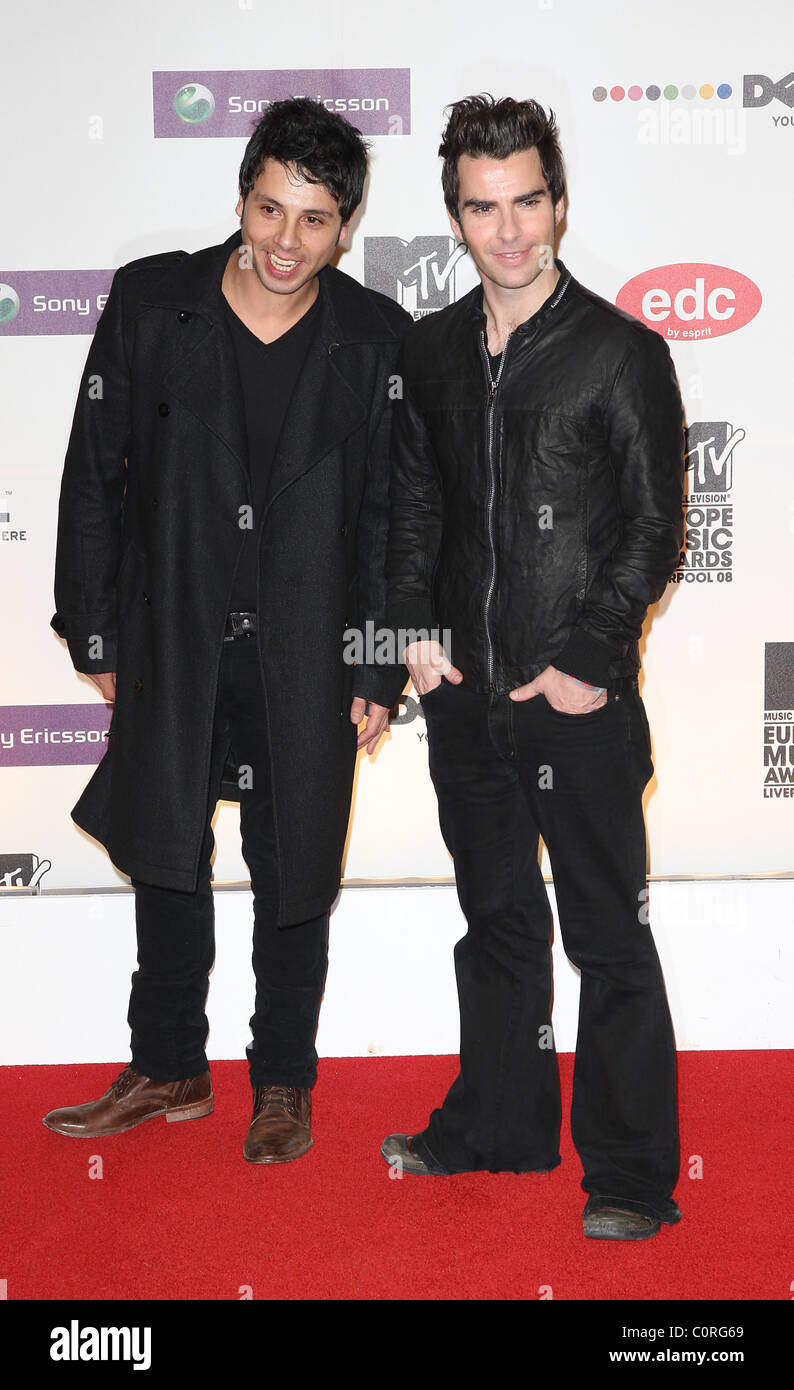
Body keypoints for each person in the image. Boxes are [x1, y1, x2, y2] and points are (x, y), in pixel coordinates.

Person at [44, 97, 408, 1163]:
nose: (285, 242)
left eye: (314, 219)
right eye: (268, 209)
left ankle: (282, 1083)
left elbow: (394, 515)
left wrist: (378, 663)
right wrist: (97, 634)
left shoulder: (376, 338)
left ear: (345, 226)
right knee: (165, 851)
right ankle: (168, 1067)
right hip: (174, 628)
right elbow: (92, 478)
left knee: (294, 865)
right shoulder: (151, 303)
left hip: (308, 645)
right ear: (240, 194)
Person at [381, 94, 686, 1240]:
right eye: (480, 208)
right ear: (454, 217)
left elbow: (653, 530)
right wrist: (412, 631)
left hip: (577, 705)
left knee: (607, 937)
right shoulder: (425, 352)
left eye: (525, 204)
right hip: (464, 701)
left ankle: (627, 1177)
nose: (505, 231)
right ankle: (498, 1128)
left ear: (557, 204)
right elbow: (411, 505)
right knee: (497, 923)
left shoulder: (619, 353)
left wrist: (584, 659)